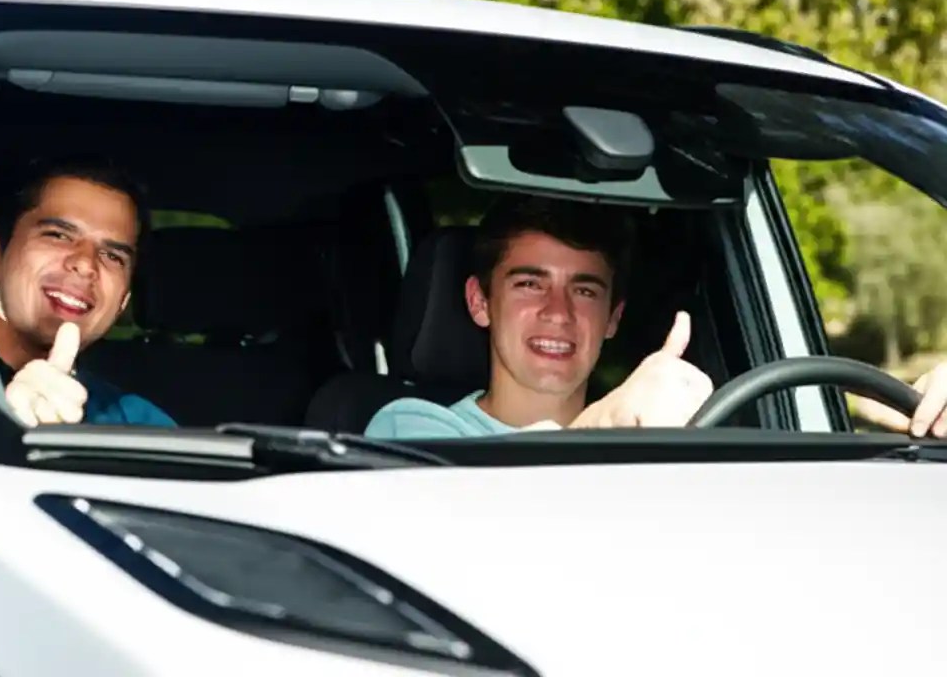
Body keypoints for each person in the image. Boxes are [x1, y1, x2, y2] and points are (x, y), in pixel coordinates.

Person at [365, 198, 947, 439]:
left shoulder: (691, 431)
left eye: (585, 290)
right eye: (528, 283)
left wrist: (924, 409)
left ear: (613, 317)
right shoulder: (411, 427)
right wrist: (599, 429)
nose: (559, 312)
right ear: (478, 303)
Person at [0, 155, 175, 428]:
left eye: (113, 256)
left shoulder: (142, 427)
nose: (85, 265)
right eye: (58, 235)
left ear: (122, 302)